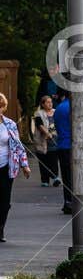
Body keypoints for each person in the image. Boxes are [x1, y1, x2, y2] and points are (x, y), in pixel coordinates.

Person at [0, 93, 32, 242]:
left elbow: (18, 146)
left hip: (7, 167)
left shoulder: (10, 124)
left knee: (5, 202)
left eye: (1, 106)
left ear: (4, 108)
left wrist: (25, 165)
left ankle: (0, 229)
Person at [52, 89, 74, 213]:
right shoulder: (73, 106)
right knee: (75, 177)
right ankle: (75, 202)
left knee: (66, 177)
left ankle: (68, 202)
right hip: (72, 146)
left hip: (62, 145)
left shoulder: (59, 108)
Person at [30, 94, 59, 186]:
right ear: (43, 104)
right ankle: (45, 180)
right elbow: (39, 125)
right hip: (43, 140)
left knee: (53, 160)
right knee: (43, 161)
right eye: (48, 102)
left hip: (54, 139)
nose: (50, 104)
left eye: (51, 102)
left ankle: (55, 178)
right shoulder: (38, 113)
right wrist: (47, 133)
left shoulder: (56, 112)